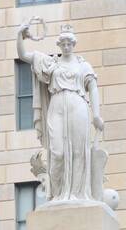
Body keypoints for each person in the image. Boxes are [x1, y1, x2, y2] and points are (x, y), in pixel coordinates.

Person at [16, 21, 104, 204]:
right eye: (63, 43)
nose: (66, 46)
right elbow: (24, 55)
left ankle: (78, 195)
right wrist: (20, 36)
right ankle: (57, 195)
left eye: (69, 43)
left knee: (79, 151)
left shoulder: (83, 65)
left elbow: (93, 88)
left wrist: (96, 115)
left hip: (78, 106)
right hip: (56, 108)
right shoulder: (51, 63)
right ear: (59, 45)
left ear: (74, 44)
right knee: (57, 152)